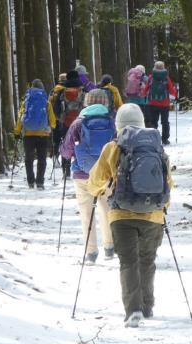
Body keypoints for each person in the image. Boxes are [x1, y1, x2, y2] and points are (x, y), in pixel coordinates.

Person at [88, 103, 172, 327]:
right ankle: (147, 306)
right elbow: (168, 182)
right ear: (142, 123)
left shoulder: (113, 147)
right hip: (153, 215)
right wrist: (163, 208)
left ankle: (133, 311)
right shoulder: (156, 148)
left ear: (118, 125)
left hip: (121, 215)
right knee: (147, 261)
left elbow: (95, 181)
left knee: (128, 262)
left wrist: (98, 191)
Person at [60, 89, 116, 263]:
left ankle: (91, 252)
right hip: (106, 173)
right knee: (106, 209)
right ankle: (109, 246)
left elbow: (67, 152)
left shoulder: (77, 124)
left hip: (82, 173)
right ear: (105, 103)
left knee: (86, 212)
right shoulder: (112, 122)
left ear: (86, 102)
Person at [14, 79, 57, 189]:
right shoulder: (46, 102)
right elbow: (52, 120)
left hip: (28, 135)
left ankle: (30, 181)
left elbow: (20, 118)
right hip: (43, 134)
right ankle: (40, 182)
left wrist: (17, 132)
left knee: (29, 159)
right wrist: (51, 127)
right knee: (42, 159)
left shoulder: (26, 102)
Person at [54, 70, 86, 178]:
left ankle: (66, 171)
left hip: (66, 123)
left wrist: (60, 120)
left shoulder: (62, 92)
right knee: (81, 144)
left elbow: (57, 109)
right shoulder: (83, 91)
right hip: (81, 122)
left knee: (66, 145)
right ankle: (81, 168)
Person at [142, 61, 176, 145]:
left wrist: (144, 95)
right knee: (165, 122)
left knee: (153, 122)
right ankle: (165, 139)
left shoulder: (150, 77)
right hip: (164, 104)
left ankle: (154, 139)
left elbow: (145, 90)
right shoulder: (166, 78)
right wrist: (173, 97)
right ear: (163, 67)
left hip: (152, 103)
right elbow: (172, 90)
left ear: (155, 67)